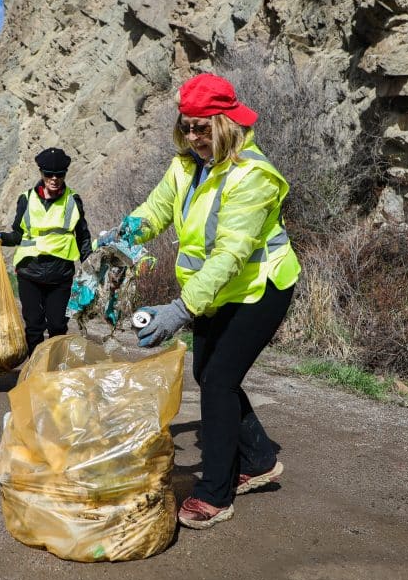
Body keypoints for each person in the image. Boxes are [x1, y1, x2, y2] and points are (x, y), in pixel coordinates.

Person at [120, 73, 301, 530]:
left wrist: (180, 311)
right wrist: (124, 236)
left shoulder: (252, 175)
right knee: (206, 373)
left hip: (260, 288)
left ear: (227, 124)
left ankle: (215, 493)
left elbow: (230, 256)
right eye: (187, 127)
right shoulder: (185, 166)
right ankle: (259, 459)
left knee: (219, 380)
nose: (195, 137)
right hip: (215, 291)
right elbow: (157, 210)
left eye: (203, 128)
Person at [0, 147, 92, 356]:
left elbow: (83, 237)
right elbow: (18, 235)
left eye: (59, 174)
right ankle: (34, 371)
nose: (54, 179)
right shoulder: (26, 199)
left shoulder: (73, 200)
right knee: (34, 326)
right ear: (41, 173)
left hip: (60, 275)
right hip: (30, 273)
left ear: (65, 174)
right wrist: (2, 238)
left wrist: (90, 265)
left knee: (57, 326)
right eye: (49, 174)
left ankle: (53, 370)